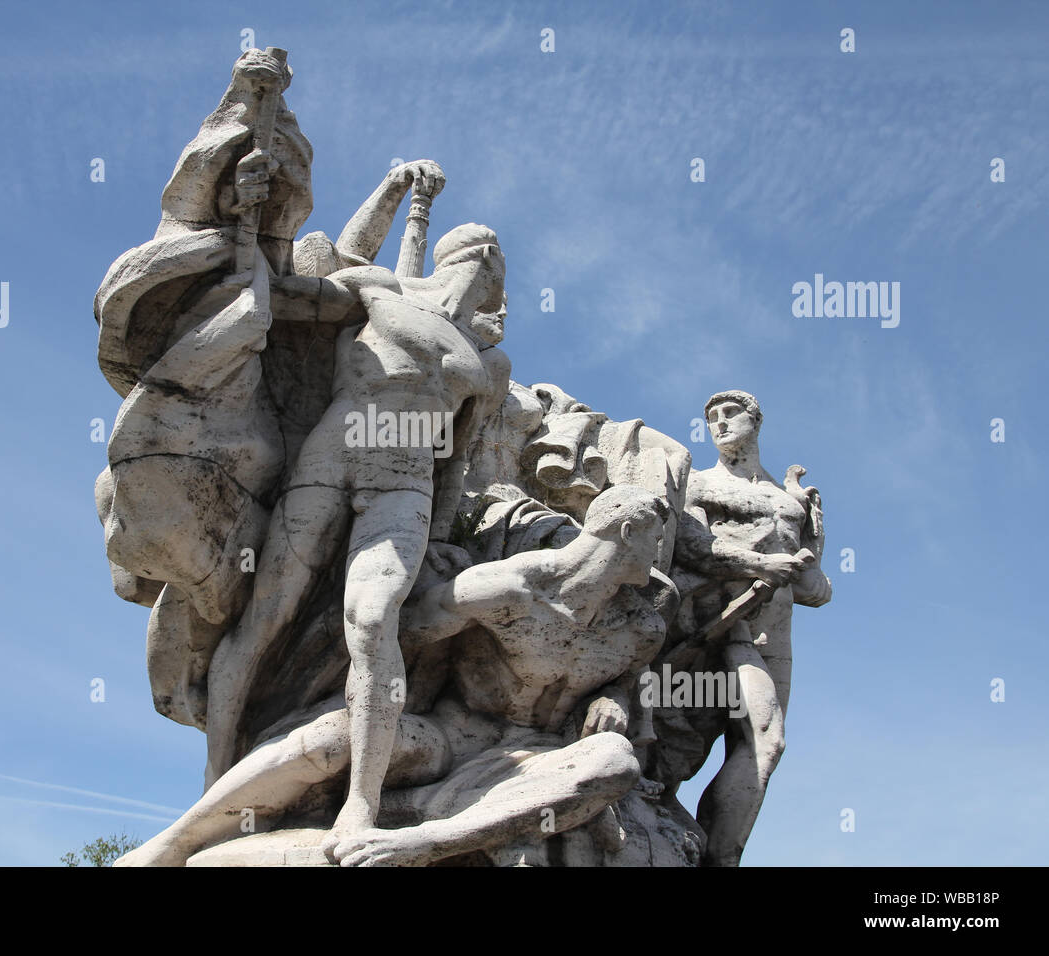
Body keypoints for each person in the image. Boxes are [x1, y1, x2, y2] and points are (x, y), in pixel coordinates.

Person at [116, 485, 669, 867]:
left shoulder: (640, 627)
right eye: (655, 539)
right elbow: (391, 646)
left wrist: (615, 698)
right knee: (331, 738)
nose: (660, 557)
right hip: (452, 738)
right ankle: (173, 843)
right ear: (626, 530)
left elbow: (628, 682)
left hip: (543, 752)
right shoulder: (505, 590)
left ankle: (424, 843)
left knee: (614, 760)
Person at [204, 224, 512, 855]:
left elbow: (457, 458)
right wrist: (243, 245)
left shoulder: (489, 362)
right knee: (266, 618)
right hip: (331, 455)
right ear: (478, 262)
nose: (488, 277)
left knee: (373, 623)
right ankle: (215, 783)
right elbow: (284, 297)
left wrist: (442, 534)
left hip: (406, 484)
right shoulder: (384, 287)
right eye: (489, 261)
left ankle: (360, 805)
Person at [671, 390, 831, 865]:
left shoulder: (789, 499)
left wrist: (814, 534)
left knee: (761, 750)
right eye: (711, 418)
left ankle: (721, 856)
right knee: (754, 736)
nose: (719, 424)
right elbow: (691, 547)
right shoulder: (697, 484)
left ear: (755, 421)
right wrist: (760, 563)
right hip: (723, 621)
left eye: (730, 414)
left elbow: (812, 589)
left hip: (777, 633)